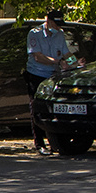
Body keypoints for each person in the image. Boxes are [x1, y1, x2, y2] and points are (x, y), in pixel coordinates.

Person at [25, 9, 80, 155]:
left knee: (54, 108)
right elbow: (38, 56)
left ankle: (55, 142)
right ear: (48, 21)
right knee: (37, 108)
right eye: (56, 24)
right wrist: (59, 62)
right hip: (36, 74)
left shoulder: (60, 34)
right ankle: (39, 143)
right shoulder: (34, 33)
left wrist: (76, 63)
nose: (58, 27)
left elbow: (66, 53)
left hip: (54, 76)